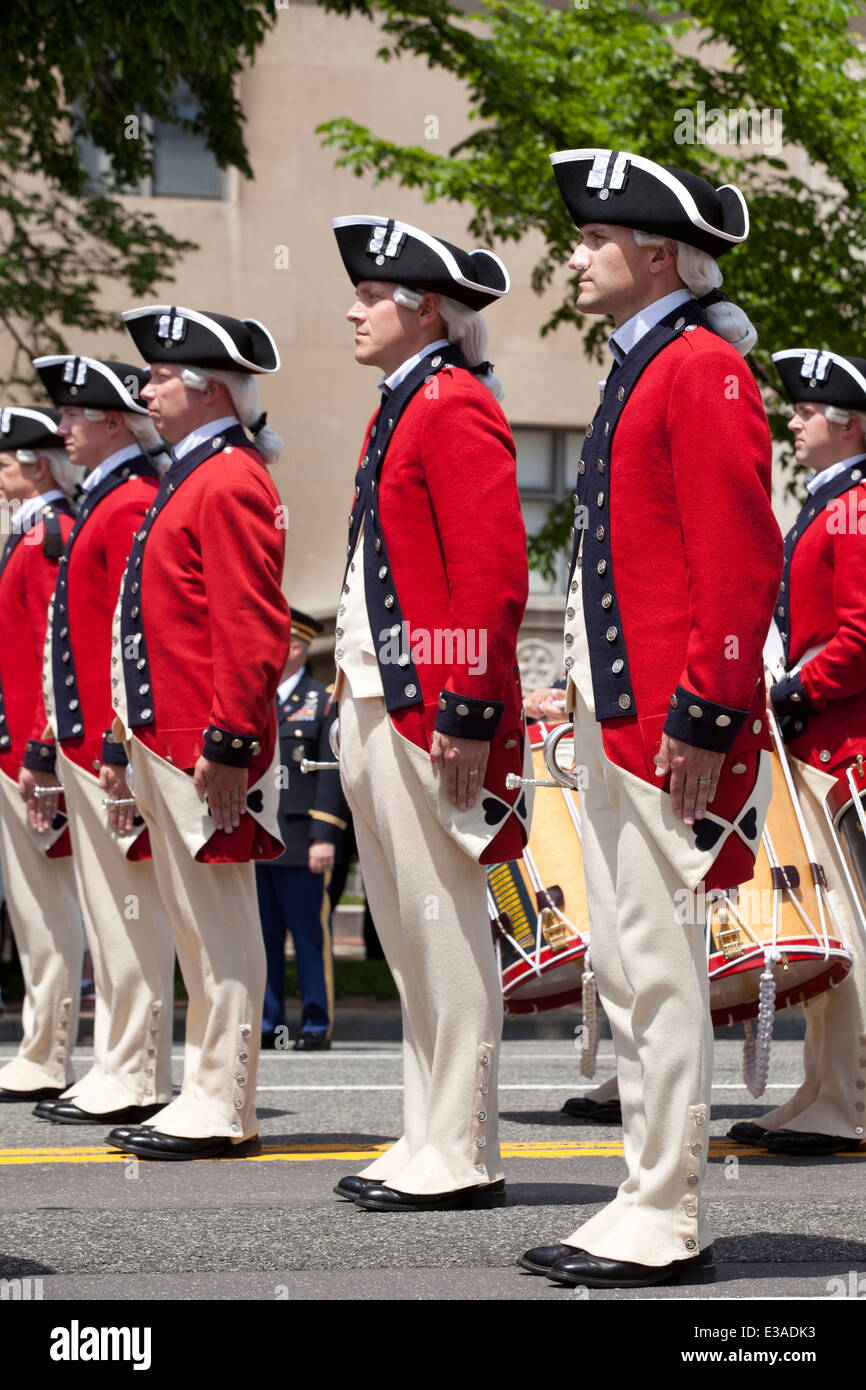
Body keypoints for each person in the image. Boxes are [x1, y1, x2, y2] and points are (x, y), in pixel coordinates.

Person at [520, 149, 782, 1288]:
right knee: (629, 969)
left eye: (593, 238)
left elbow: (737, 559)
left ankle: (667, 1213)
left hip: (667, 726)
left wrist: (704, 710)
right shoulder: (644, 365)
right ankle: (639, 1193)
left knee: (660, 968)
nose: (574, 254)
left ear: (657, 254)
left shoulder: (699, 369)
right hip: (623, 718)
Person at [329, 214, 529, 1210]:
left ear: (427, 312)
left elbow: (490, 573)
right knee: (407, 936)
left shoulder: (453, 405)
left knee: (445, 926)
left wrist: (463, 702)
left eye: (370, 296)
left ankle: (462, 1145)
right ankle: (424, 1130)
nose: (353, 310)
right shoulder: (399, 407)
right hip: (373, 698)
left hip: (426, 708)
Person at [102, 304, 292, 1160]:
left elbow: (252, 628)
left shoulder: (228, 478)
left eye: (159, 375)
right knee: (194, 930)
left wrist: (229, 745)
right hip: (170, 737)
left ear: (208, 386)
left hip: (203, 744)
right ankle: (205, 1091)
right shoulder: (196, 474)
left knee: (220, 933)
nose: (144, 388)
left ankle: (225, 1103)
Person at [23, 355, 176, 1128]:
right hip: (83, 738)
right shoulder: (107, 502)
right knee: (109, 912)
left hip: (105, 739)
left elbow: (129, 641)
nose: (63, 429)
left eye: (76, 415)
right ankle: (117, 1062)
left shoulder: (125, 504)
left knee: (130, 913)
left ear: (115, 421)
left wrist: (115, 742)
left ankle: (139, 1070)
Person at [726, 348, 866, 1156]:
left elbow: (858, 635)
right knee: (828, 927)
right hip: (818, 744)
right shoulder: (825, 506)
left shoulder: (854, 506)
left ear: (847, 423)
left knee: (849, 932)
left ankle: (847, 1103)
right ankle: (820, 1089)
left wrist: (793, 692)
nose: (793, 421)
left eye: (808, 412)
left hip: (841, 749)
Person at [0, 407, 80, 1101]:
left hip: (32, 747)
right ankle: (39, 1046)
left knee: (48, 908)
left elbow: (59, 657)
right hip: (15, 744)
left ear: (38, 468)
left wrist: (42, 750)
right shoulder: (29, 536)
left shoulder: (52, 538)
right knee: (31, 911)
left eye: (5, 463)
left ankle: (49, 1052)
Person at [256, 608, 349, 1051]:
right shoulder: (255, 697)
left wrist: (324, 836)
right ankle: (268, 1023)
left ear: (297, 646)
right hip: (260, 836)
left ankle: (316, 1023)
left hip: (301, 838)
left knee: (309, 934)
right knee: (263, 936)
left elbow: (332, 770)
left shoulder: (323, 699)